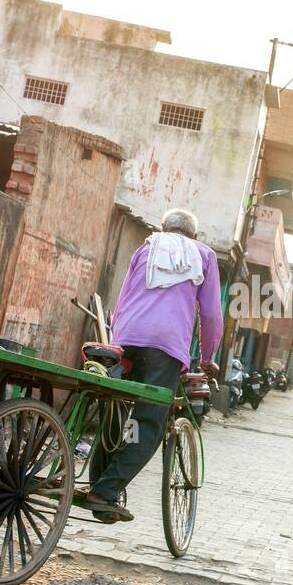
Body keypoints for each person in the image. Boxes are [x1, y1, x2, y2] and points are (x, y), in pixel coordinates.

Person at [84, 208, 223, 523]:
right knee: (148, 422)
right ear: (194, 235)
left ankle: (99, 481)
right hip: (165, 348)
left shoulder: (147, 247)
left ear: (164, 228)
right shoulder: (204, 255)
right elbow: (212, 314)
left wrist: (118, 345)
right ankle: (105, 492)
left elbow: (123, 299)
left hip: (126, 339)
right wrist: (207, 357)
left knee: (115, 415)